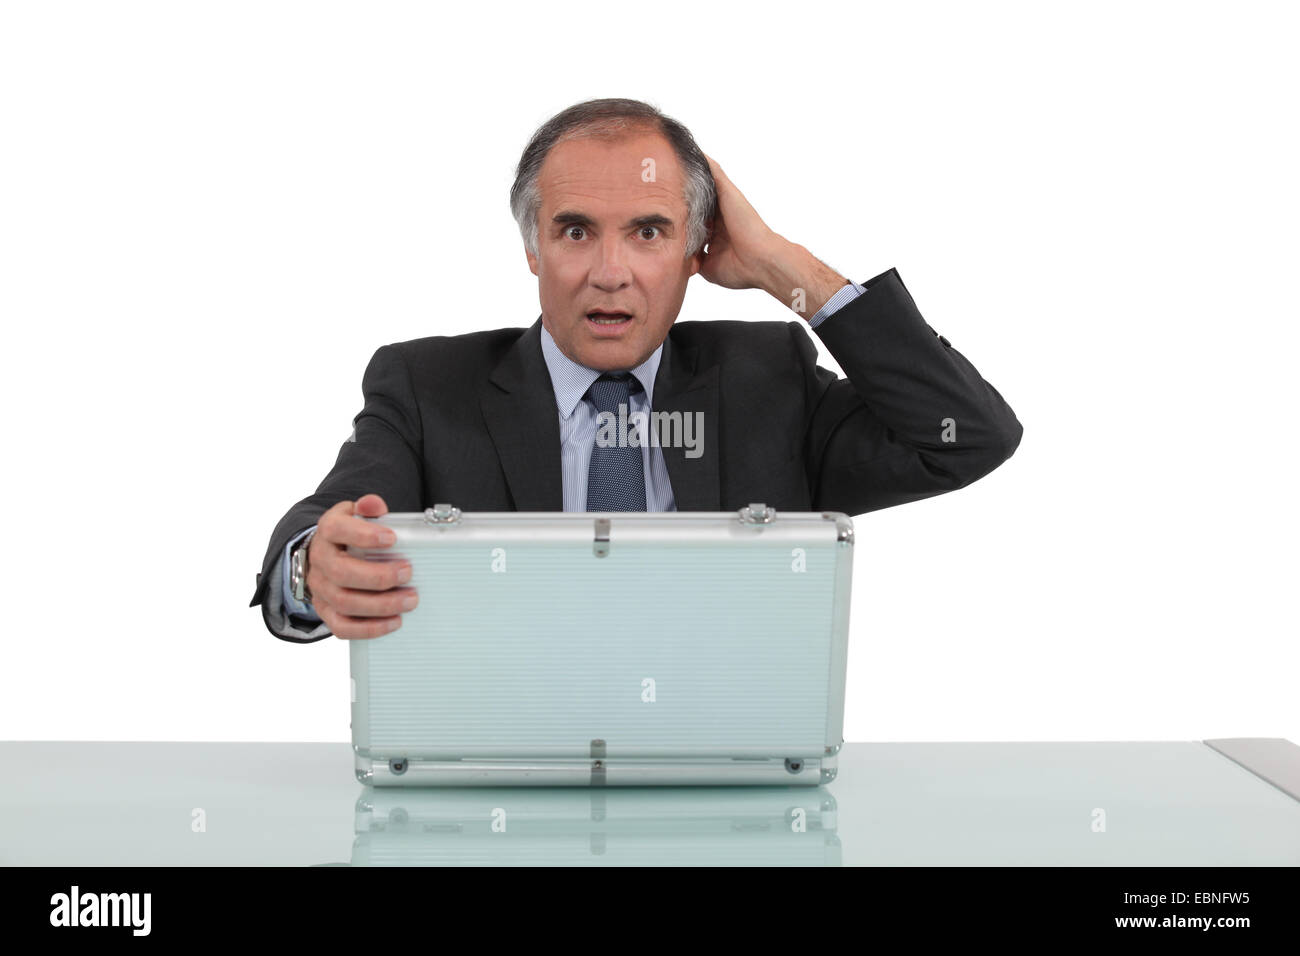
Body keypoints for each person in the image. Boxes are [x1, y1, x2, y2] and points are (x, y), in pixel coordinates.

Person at [249, 97, 1024, 642]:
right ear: (532, 248)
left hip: (725, 787)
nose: (610, 272)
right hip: (498, 781)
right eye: (576, 231)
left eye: (650, 232)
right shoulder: (426, 389)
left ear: (697, 251)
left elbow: (965, 436)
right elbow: (330, 515)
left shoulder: (768, 382)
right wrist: (313, 565)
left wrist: (788, 270)